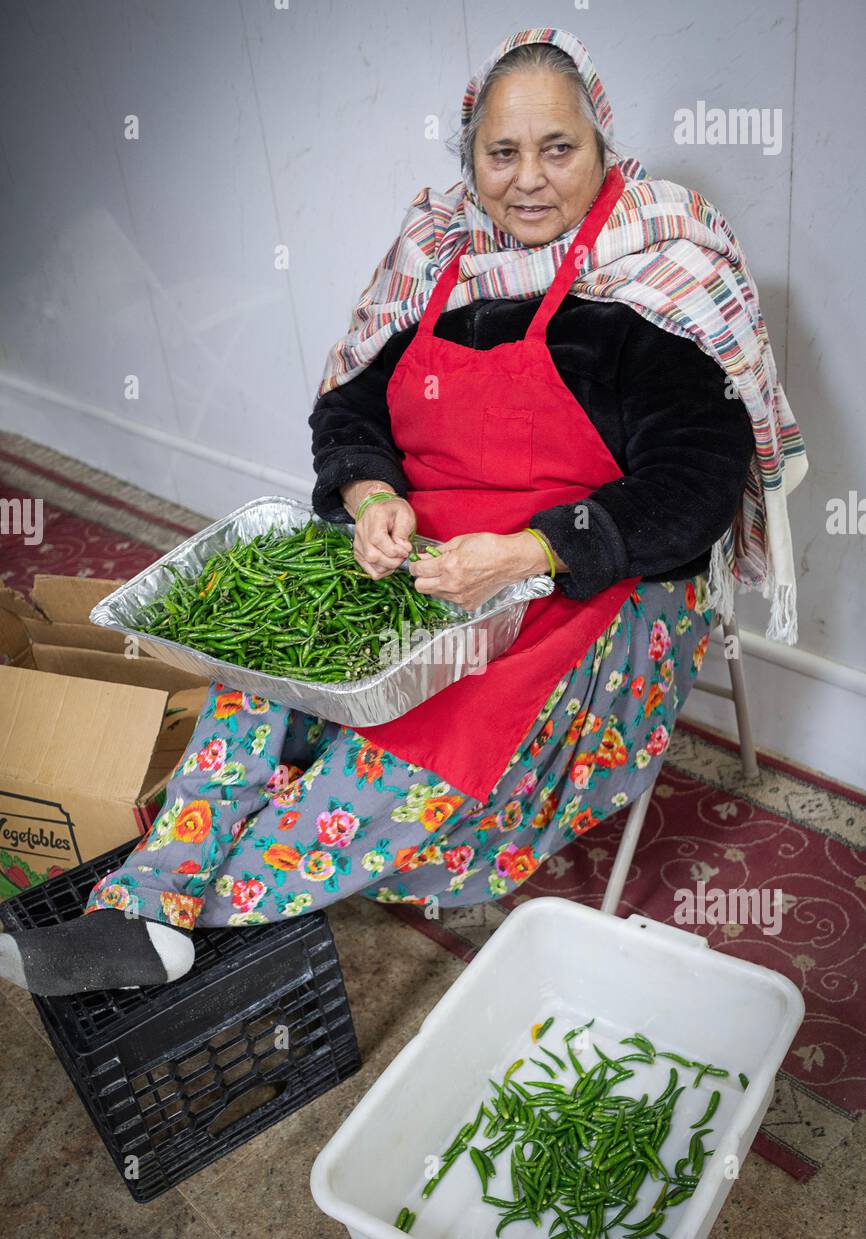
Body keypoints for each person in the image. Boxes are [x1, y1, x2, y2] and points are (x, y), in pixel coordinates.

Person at [0, 27, 806, 997]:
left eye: (558, 147)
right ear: (468, 158)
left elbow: (696, 486)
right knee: (264, 679)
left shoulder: (658, 286)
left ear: (602, 148)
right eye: (499, 152)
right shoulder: (438, 264)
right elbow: (348, 412)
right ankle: (146, 904)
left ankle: (180, 915)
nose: (528, 178)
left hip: (579, 582)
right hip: (414, 561)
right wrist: (371, 494)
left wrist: (522, 552)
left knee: (421, 740)